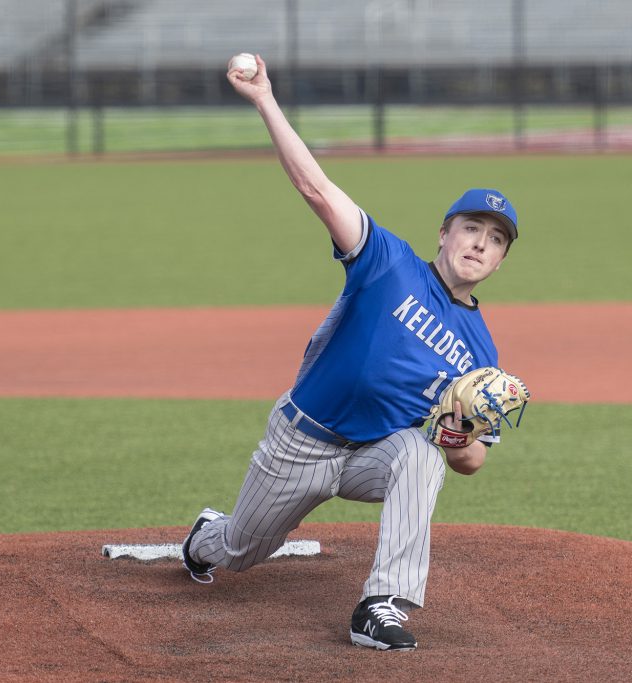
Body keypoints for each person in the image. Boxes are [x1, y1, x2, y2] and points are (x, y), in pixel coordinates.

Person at [180, 55, 520, 652]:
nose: (480, 243)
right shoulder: (386, 261)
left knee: (421, 454)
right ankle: (204, 536)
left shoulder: (481, 352)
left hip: (373, 454)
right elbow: (314, 186)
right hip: (301, 441)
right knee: (241, 551)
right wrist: (264, 98)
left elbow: (470, 463)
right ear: (445, 232)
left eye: (495, 240)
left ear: (499, 261)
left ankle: (381, 604)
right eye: (472, 228)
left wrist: (457, 431)